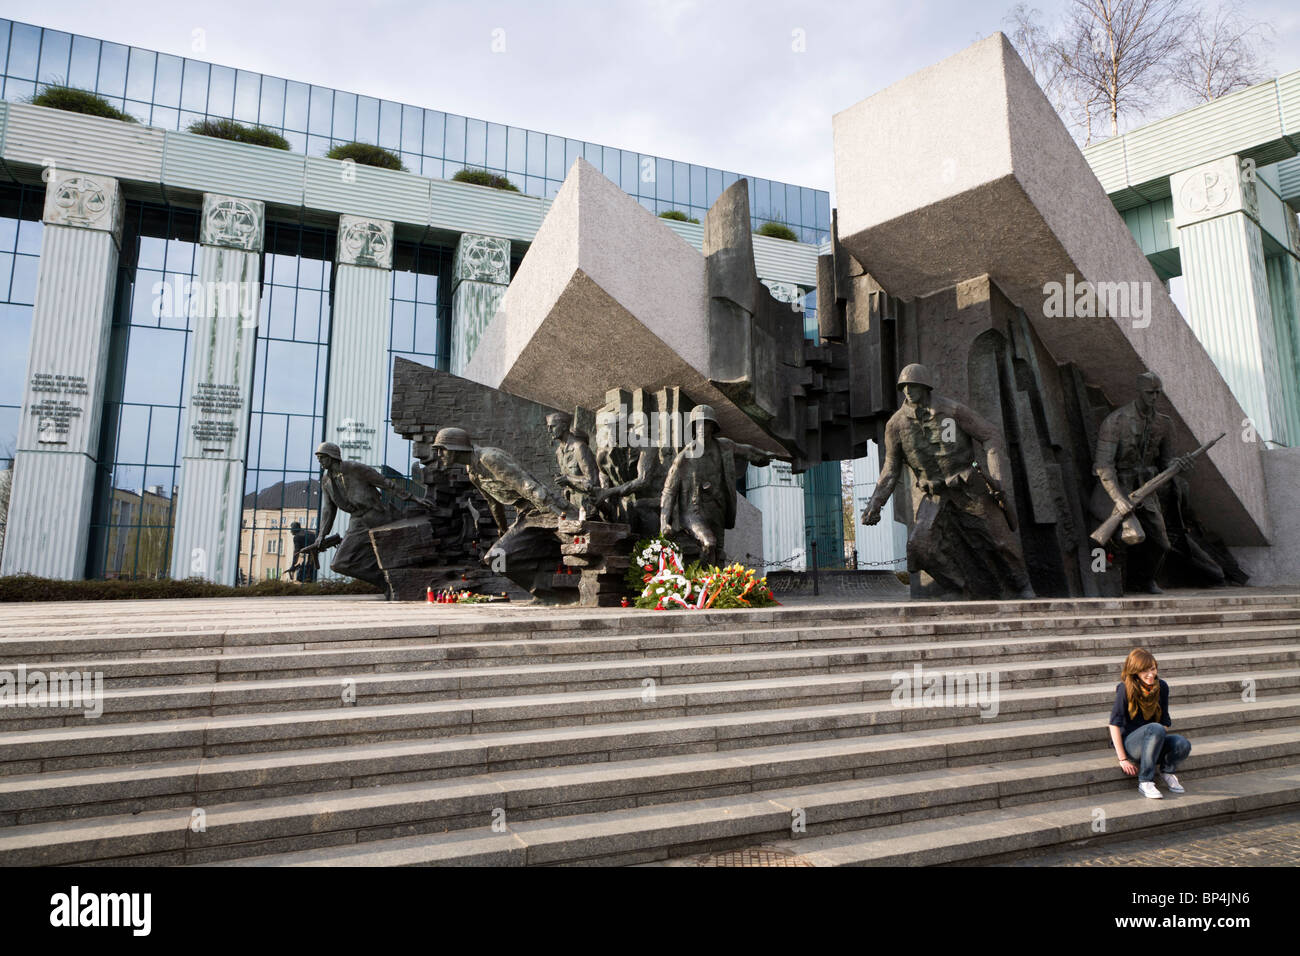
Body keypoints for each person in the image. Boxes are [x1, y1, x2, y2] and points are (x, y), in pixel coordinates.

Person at [862, 363, 1034, 600]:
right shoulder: (896, 425)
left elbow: (990, 435)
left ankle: (1023, 586)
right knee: (919, 546)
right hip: (934, 494)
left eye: (914, 386)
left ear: (926, 386)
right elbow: (890, 468)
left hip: (968, 487)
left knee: (999, 540)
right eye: (904, 387)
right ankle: (958, 586)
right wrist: (875, 504)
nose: (909, 391)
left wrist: (997, 477)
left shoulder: (952, 411)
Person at [1092, 372, 1196, 594]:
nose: (1155, 397)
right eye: (1150, 392)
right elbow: (1103, 466)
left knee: (1162, 543)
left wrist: (1179, 464)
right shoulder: (1115, 422)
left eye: (1158, 392)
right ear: (1139, 391)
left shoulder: (1164, 424)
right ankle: (1109, 583)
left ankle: (1145, 580)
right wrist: (1119, 500)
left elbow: (1167, 462)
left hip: (1147, 488)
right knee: (1110, 542)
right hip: (1117, 486)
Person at [659, 404, 771, 565]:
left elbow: (747, 451)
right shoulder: (684, 458)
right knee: (708, 543)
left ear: (713, 426)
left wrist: (764, 456)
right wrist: (664, 522)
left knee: (718, 551)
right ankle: (705, 582)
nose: (702, 428)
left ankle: (717, 586)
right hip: (694, 512)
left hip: (718, 509)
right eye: (698, 423)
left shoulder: (724, 446)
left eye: (706, 423)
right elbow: (669, 492)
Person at [299, 441, 401, 589]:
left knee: (387, 552)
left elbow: (385, 483)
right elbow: (328, 509)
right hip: (357, 521)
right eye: (318, 457)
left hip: (377, 515)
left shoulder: (354, 468)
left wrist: (412, 498)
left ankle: (391, 581)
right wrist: (321, 535)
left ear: (332, 457)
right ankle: (385, 582)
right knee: (339, 564)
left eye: (322, 457)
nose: (319, 460)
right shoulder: (326, 480)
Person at [1108, 648, 1191, 799]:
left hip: (1153, 738)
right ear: (1135, 672)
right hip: (1132, 745)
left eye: (1153, 669)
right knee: (1155, 728)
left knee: (1182, 743)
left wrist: (1155, 743)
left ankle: (1167, 771)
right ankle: (1145, 781)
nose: (1150, 674)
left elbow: (1164, 720)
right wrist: (1122, 759)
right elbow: (1114, 724)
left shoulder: (1162, 687)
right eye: (1144, 671)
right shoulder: (1125, 689)